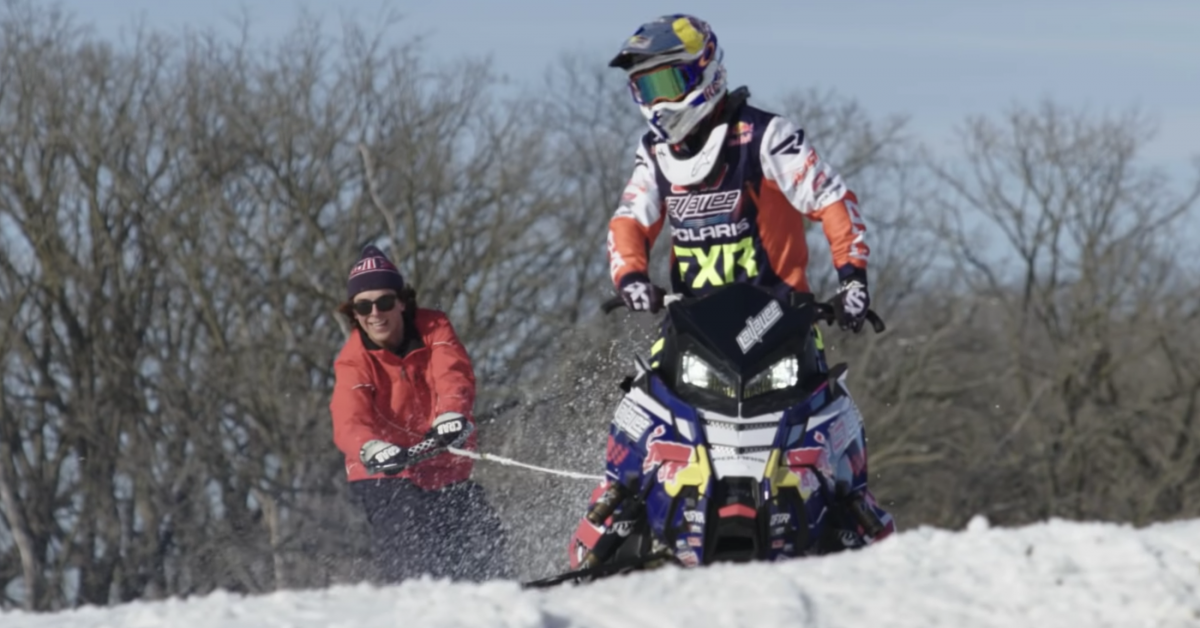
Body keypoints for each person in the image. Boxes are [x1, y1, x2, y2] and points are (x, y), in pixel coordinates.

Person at [603, 14, 894, 548]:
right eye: (645, 87)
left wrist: (853, 279)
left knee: (837, 423)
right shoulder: (655, 154)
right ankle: (604, 531)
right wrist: (631, 276)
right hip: (691, 330)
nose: (657, 101)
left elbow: (832, 200)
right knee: (636, 415)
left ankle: (870, 542)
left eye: (667, 82)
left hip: (782, 326)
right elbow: (629, 220)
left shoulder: (766, 136)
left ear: (706, 72)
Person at [329, 244, 509, 583]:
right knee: (412, 546)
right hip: (386, 473)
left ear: (401, 302)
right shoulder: (353, 361)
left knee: (482, 537)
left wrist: (451, 414)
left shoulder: (434, 328)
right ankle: (416, 600)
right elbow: (348, 417)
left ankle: (497, 596)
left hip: (443, 462)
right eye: (363, 306)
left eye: (384, 302)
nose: (374, 314)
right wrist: (370, 446)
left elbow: (453, 374)